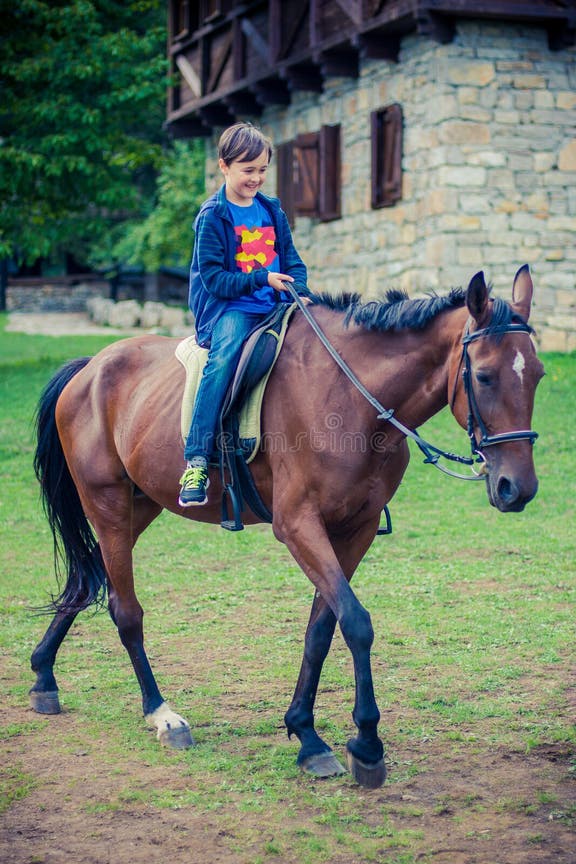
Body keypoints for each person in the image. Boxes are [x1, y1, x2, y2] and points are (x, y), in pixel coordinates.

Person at [179, 122, 308, 507]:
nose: (256, 178)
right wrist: (264, 278)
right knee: (222, 362)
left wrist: (301, 292)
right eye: (247, 170)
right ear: (224, 166)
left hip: (275, 306)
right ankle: (197, 459)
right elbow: (216, 279)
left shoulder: (272, 210)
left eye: (262, 170)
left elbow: (294, 264)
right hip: (228, 311)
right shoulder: (212, 216)